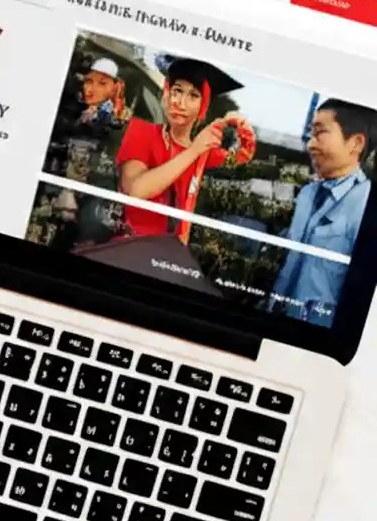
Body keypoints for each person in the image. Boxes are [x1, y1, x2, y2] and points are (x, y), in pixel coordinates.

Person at [115, 57, 254, 243]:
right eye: (177, 91)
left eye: (193, 96)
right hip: (131, 246)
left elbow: (242, 157)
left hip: (174, 252)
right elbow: (135, 190)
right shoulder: (142, 131)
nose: (180, 103)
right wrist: (193, 150)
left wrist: (243, 130)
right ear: (167, 93)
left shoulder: (205, 152)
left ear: (202, 108)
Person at [269, 98, 375, 326]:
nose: (310, 145)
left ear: (355, 143)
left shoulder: (366, 207)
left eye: (319, 134)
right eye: (310, 134)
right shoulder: (308, 193)